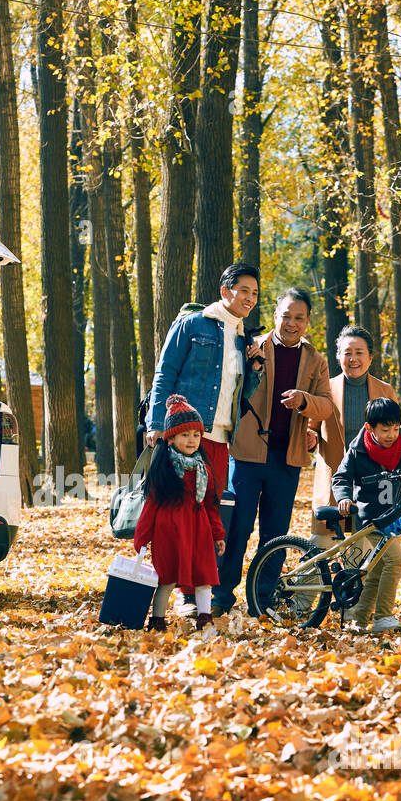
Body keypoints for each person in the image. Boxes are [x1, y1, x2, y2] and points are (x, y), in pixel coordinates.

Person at [145, 262, 263, 614]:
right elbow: (165, 372)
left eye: (255, 294)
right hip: (184, 437)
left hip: (220, 440)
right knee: (179, 515)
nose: (250, 299)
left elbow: (240, 397)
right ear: (226, 291)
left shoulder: (244, 339)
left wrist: (255, 370)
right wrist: (156, 423)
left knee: (209, 517)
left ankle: (201, 596)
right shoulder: (192, 324)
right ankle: (179, 595)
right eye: (244, 291)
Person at [213, 287, 332, 614]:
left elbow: (326, 406)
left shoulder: (315, 359)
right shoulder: (253, 347)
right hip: (247, 455)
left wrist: (304, 401)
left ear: (307, 321)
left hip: (286, 459)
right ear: (275, 315)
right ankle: (221, 597)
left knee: (275, 535)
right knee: (238, 528)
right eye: (286, 316)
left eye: (299, 318)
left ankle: (261, 601)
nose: (292, 323)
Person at [310, 324, 401, 626]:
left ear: (370, 357)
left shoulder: (385, 391)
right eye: (346, 352)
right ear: (338, 356)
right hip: (334, 475)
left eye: (359, 353)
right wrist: (309, 437)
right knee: (321, 545)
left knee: (364, 549)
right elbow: (310, 426)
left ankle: (354, 613)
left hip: (372, 484)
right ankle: (301, 606)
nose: (353, 358)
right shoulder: (326, 388)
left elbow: (395, 436)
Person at [332, 396, 401, 632]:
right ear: (369, 428)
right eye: (385, 429)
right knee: (395, 561)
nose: (391, 434)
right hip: (371, 518)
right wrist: (344, 497)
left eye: (395, 428)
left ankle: (360, 620)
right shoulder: (358, 449)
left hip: (395, 515)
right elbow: (342, 476)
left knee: (377, 570)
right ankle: (383, 616)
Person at [134, 394, 225, 633]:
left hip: (199, 530)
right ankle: (157, 620)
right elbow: (150, 506)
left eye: (196, 435)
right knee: (168, 577)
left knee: (204, 575)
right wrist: (142, 538)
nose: (192, 440)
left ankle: (205, 618)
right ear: (171, 438)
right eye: (185, 434)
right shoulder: (163, 470)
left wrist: (218, 534)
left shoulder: (203, 469)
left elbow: (210, 504)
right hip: (170, 533)